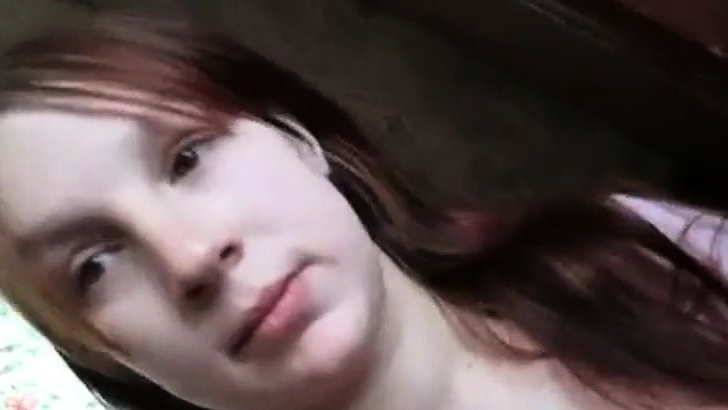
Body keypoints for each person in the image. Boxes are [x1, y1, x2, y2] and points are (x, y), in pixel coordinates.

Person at [0, 13, 726, 410]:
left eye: (187, 157)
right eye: (94, 266)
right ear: (105, 353)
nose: (189, 257)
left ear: (296, 138)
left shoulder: (642, 258)